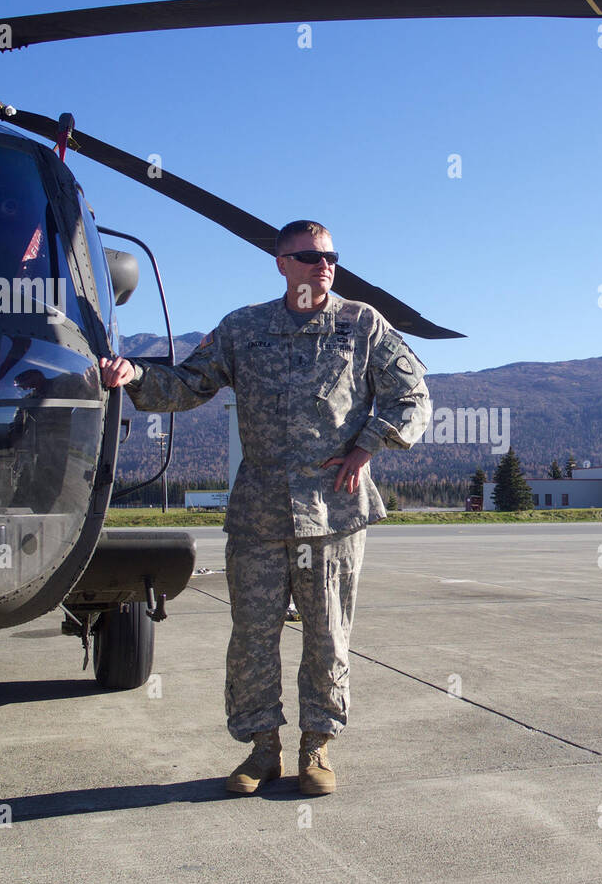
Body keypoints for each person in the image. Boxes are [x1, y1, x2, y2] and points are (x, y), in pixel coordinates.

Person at [99, 220, 430, 795]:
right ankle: (262, 750)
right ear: (281, 264)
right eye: (307, 256)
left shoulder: (363, 324)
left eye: (329, 256)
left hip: (334, 513)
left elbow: (413, 395)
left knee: (327, 635)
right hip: (259, 514)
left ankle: (317, 747)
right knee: (252, 636)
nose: (322, 265)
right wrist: (134, 376)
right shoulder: (243, 328)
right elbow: (188, 385)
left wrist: (366, 447)